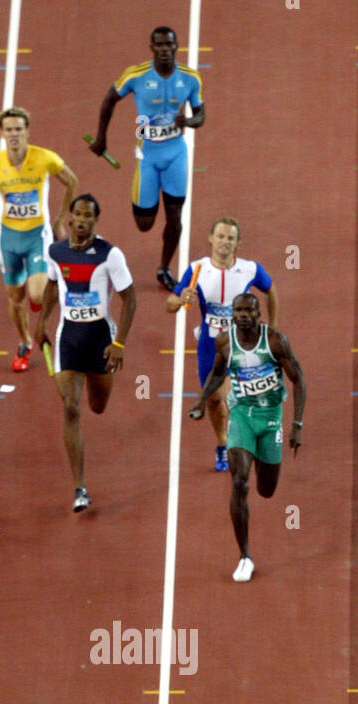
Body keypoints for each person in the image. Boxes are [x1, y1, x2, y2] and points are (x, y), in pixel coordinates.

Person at [189, 294, 306, 581]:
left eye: (248, 311)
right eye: (237, 311)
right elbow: (217, 374)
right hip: (241, 415)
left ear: (258, 314)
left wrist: (297, 424)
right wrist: (201, 401)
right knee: (239, 481)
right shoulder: (225, 343)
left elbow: (299, 380)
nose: (242, 315)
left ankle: (260, 457)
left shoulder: (276, 341)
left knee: (266, 490)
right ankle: (245, 555)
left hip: (270, 419)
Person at [34, 195, 136, 512]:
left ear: (95, 221)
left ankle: (97, 387)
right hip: (68, 338)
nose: (81, 220)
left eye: (87, 216)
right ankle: (80, 487)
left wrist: (118, 345)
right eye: (76, 214)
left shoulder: (110, 255)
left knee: (98, 406)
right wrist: (40, 323)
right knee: (71, 408)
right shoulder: (55, 251)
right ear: (69, 218)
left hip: (100, 339)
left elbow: (130, 299)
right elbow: (52, 285)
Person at [88, 26, 204, 290]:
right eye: (159, 45)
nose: (164, 49)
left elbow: (201, 114)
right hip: (148, 155)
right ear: (151, 47)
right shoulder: (136, 75)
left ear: (177, 47)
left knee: (174, 215)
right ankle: (148, 206)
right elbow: (109, 99)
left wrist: (189, 120)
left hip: (176, 153)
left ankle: (164, 268)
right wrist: (101, 138)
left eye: (169, 45)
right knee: (144, 223)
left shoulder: (190, 78)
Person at [0, 107, 78, 371]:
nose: (14, 134)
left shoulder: (45, 158)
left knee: (36, 295)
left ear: (27, 131)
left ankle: (53, 305)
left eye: (18, 129)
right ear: (2, 133)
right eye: (9, 130)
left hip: (37, 236)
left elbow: (72, 182)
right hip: (9, 240)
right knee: (16, 300)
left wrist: (61, 220)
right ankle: (25, 342)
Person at [167, 217, 278, 470]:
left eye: (230, 238)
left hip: (242, 345)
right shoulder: (197, 270)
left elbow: (271, 290)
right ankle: (222, 443)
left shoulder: (250, 270)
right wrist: (181, 297)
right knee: (215, 400)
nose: (224, 242)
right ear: (210, 238)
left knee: (237, 399)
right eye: (220, 236)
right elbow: (170, 306)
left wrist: (273, 327)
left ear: (238, 243)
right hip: (210, 345)